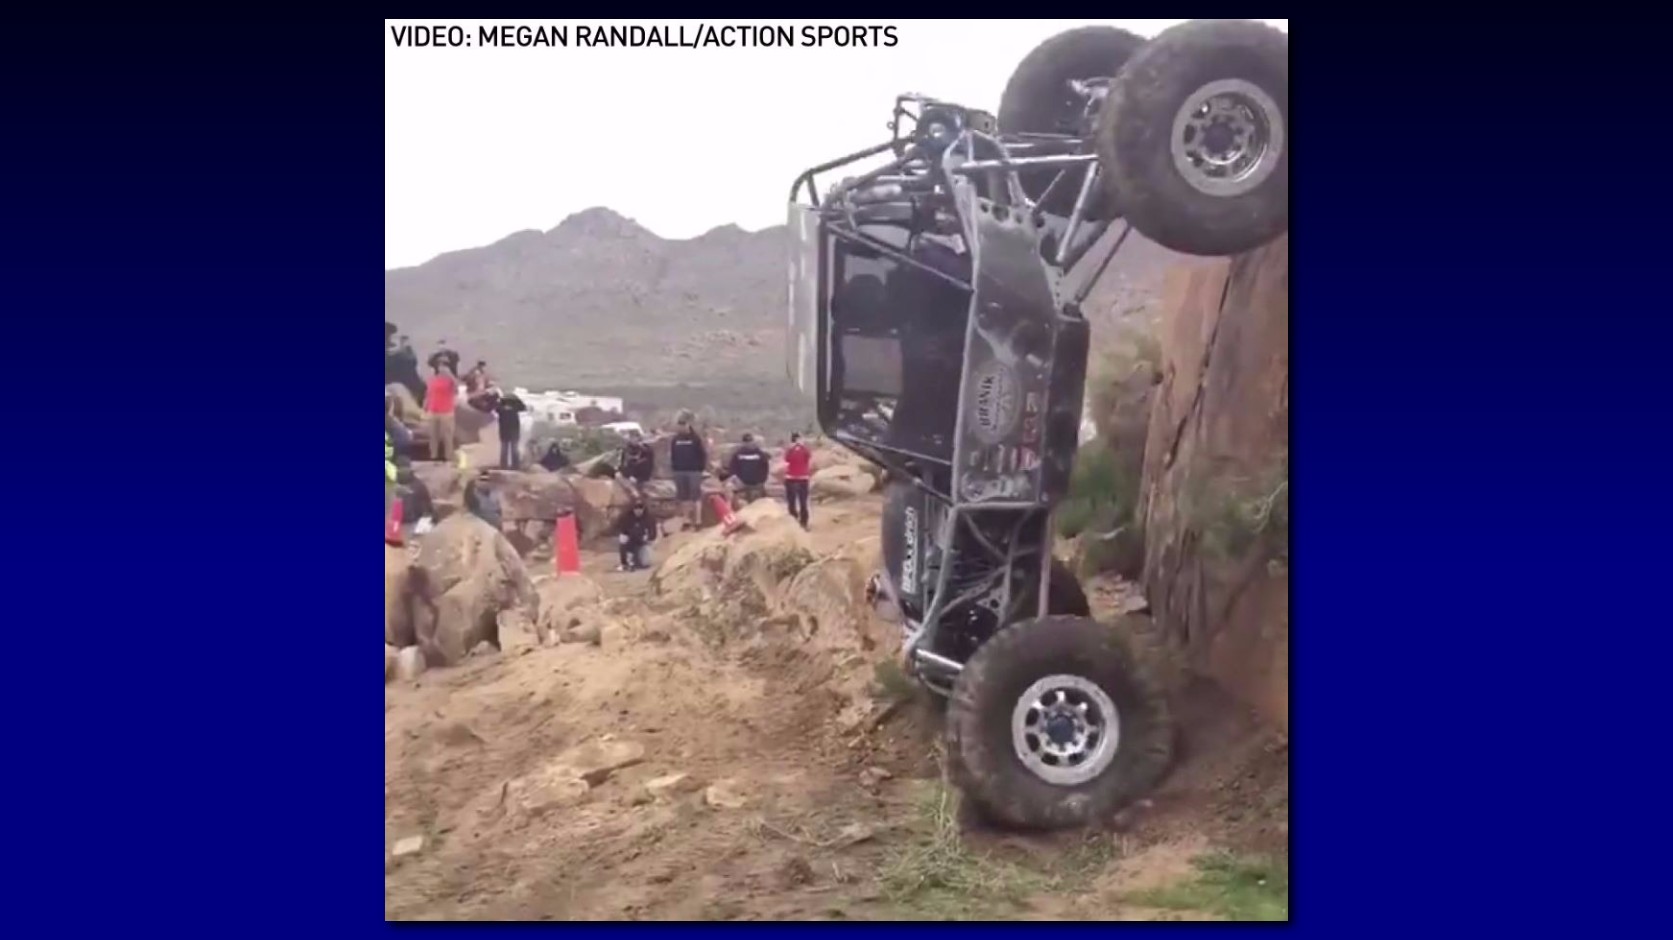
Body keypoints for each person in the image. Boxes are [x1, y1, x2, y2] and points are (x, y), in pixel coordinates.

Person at [668, 417, 708, 530]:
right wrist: (674, 468)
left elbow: (702, 454)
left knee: (695, 496)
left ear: (688, 425)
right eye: (679, 425)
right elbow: (673, 455)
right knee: (683, 497)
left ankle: (698, 521)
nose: (681, 427)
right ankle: (686, 520)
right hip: (680, 471)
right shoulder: (675, 439)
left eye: (683, 425)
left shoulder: (695, 439)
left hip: (693, 471)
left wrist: (700, 469)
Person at [424, 362, 459, 462]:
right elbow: (428, 394)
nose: (442, 368)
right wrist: (425, 408)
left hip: (446, 411)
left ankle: (448, 457)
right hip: (433, 411)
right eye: (440, 366)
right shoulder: (432, 379)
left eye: (444, 366)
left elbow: (457, 387)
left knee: (447, 436)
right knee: (433, 436)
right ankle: (433, 456)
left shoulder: (450, 381)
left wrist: (450, 375)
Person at [727, 433, 770, 507]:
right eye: (747, 442)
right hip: (742, 484)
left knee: (757, 505)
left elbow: (765, 467)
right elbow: (733, 468)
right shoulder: (738, 454)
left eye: (750, 441)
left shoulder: (759, 454)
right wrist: (736, 480)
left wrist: (762, 480)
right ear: (743, 442)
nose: (748, 443)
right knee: (741, 506)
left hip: (756, 484)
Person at [613, 501, 657, 572]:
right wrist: (627, 535)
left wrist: (648, 537)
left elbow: (653, 533)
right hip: (630, 540)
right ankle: (625, 562)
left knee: (645, 564)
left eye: (640, 509)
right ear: (633, 509)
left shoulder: (649, 518)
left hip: (643, 542)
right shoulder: (626, 517)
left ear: (643, 509)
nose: (638, 511)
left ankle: (637, 559)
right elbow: (621, 528)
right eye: (636, 509)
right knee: (623, 539)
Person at [490, 388, 527, 469]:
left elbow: (494, 408)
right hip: (513, 428)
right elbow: (524, 408)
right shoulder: (514, 407)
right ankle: (515, 466)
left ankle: (504, 466)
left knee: (505, 449)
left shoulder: (500, 407)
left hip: (504, 429)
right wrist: (516, 402)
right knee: (513, 448)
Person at [783, 432, 812, 529]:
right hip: (803, 478)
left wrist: (792, 448)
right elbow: (808, 457)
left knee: (791, 502)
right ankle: (804, 522)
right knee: (803, 502)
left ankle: (794, 521)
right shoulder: (804, 449)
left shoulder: (789, 449)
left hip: (791, 478)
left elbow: (786, 459)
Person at [617, 430, 655, 497]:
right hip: (630, 474)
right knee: (618, 475)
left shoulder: (646, 449)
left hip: (641, 475)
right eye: (631, 437)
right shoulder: (627, 449)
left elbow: (646, 464)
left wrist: (633, 476)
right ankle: (634, 492)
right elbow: (624, 463)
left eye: (635, 437)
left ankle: (636, 493)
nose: (633, 439)